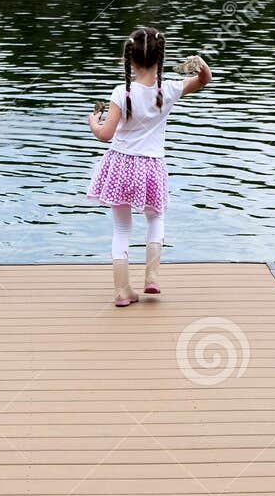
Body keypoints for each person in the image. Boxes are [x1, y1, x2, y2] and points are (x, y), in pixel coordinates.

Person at [86, 27, 212, 307]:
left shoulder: (122, 93)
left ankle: (122, 291)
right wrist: (198, 62)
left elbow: (106, 135)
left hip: (120, 164)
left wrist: (93, 122)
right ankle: (151, 277)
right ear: (161, 58)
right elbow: (205, 79)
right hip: (151, 166)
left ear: (130, 61)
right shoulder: (168, 90)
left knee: (121, 229)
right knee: (155, 219)